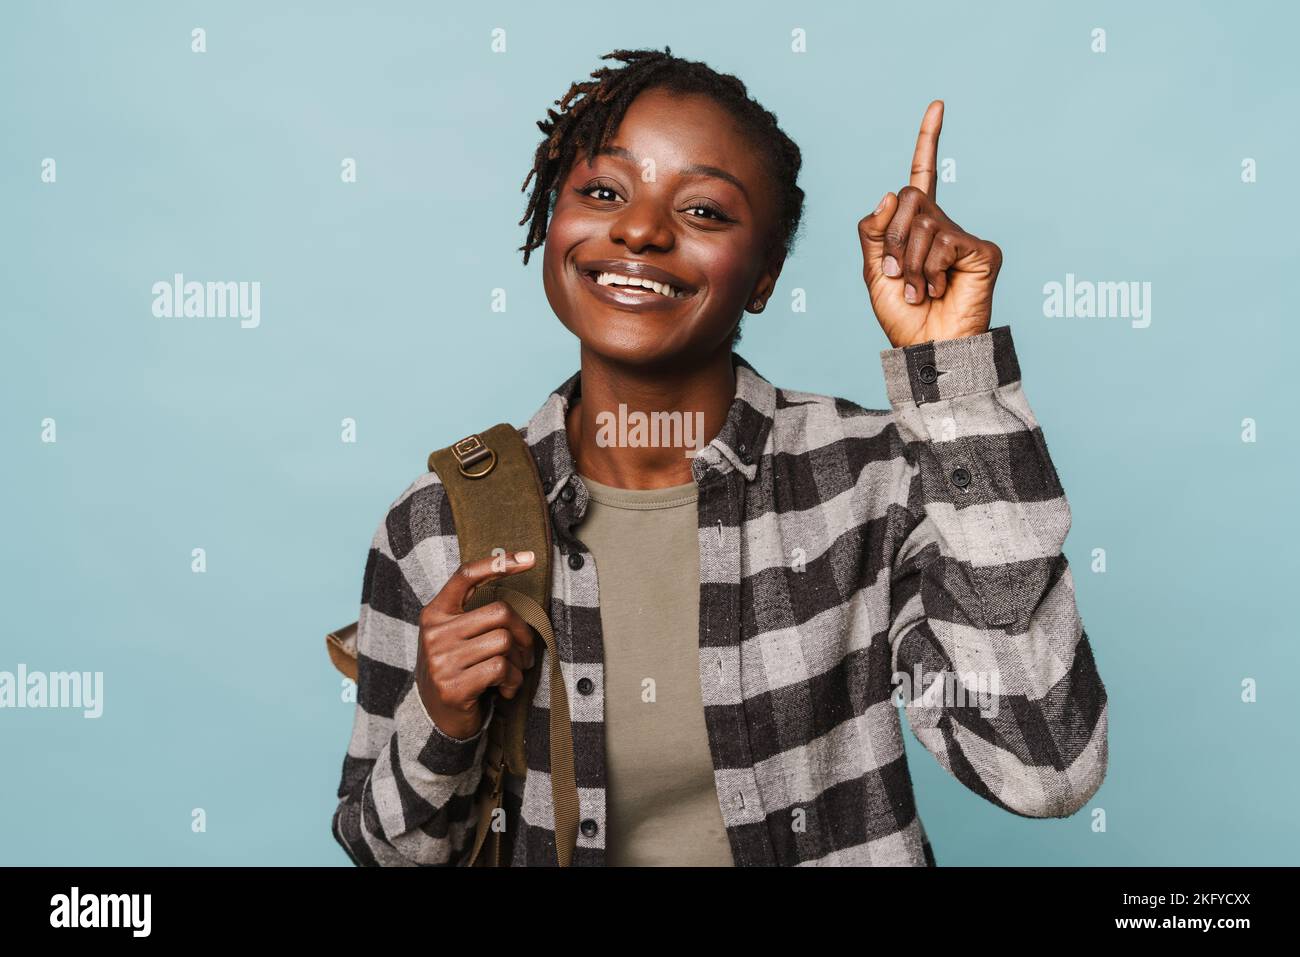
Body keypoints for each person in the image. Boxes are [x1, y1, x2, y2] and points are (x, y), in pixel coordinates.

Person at [331, 47, 1108, 867]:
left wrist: (954, 382)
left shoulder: (873, 484)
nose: (639, 228)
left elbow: (1046, 767)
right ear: (553, 220)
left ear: (764, 275)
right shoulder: (438, 526)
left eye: (703, 210)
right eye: (602, 191)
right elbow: (389, 854)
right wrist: (442, 718)